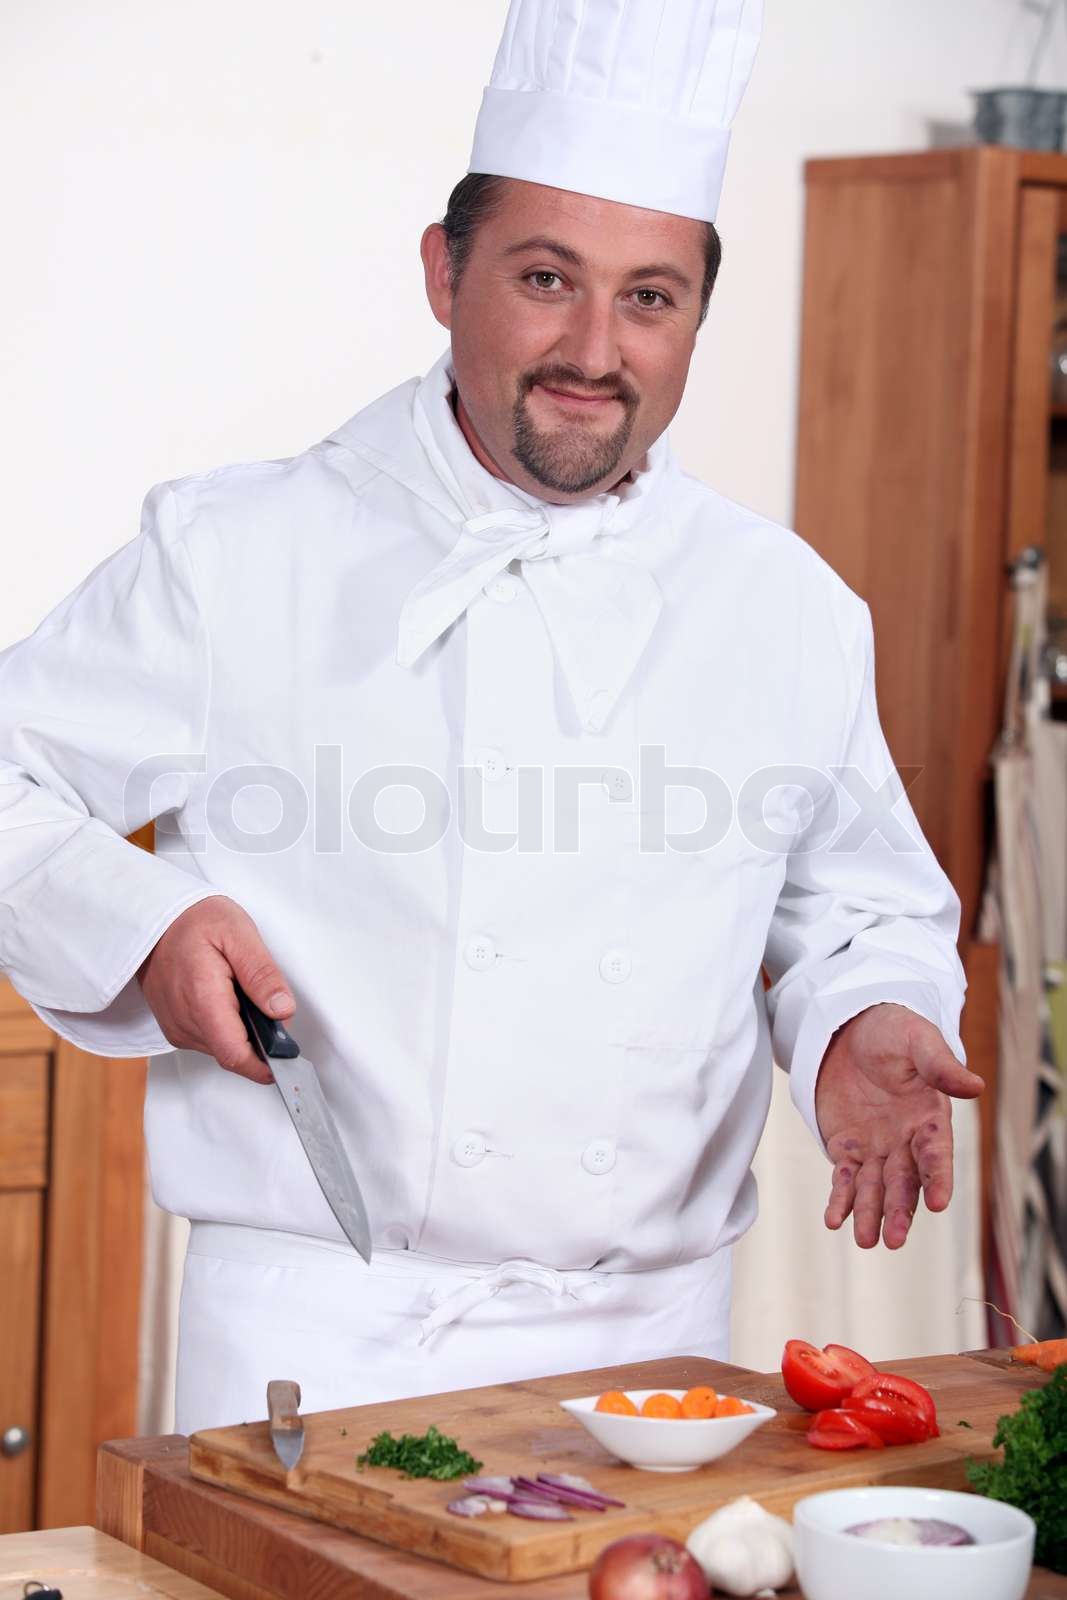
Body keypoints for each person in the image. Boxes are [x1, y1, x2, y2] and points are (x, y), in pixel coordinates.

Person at [0, 0, 981, 1434]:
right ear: (443, 272)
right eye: (544, 278)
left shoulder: (787, 609)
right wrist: (142, 922)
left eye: (650, 296)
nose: (595, 348)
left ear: (698, 315)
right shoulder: (237, 555)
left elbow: (855, 911)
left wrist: (863, 1020)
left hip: (654, 1367)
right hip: (313, 1339)